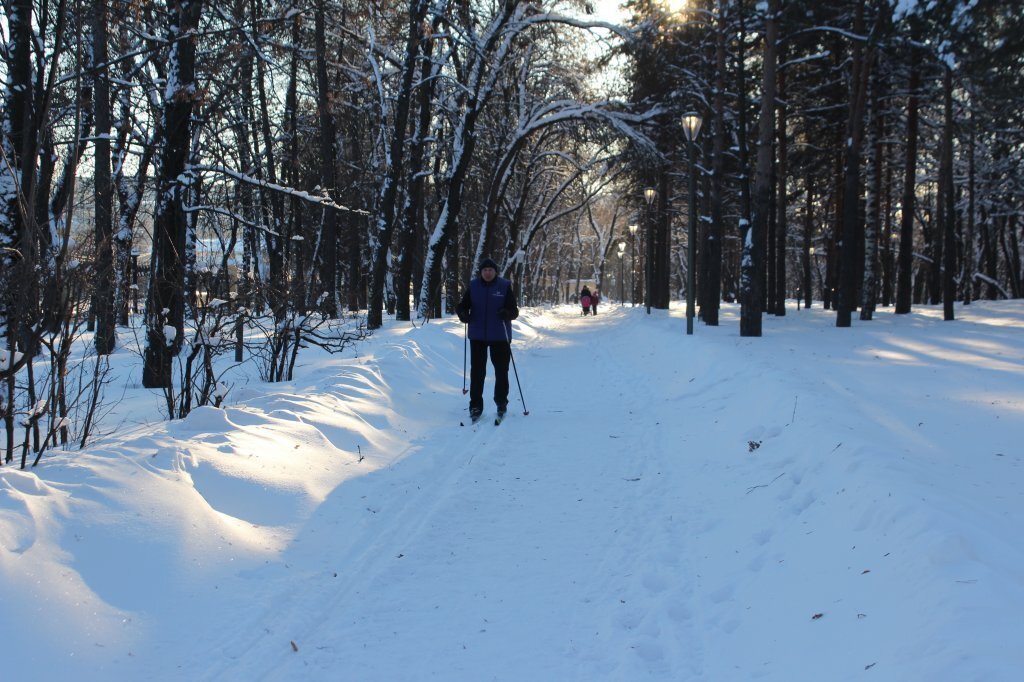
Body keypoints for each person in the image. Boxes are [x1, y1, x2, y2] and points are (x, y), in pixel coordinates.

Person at [456, 257, 520, 422]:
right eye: (485, 270)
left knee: (501, 372)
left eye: (491, 270)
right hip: (477, 336)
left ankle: (501, 403)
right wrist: (463, 314)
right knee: (477, 372)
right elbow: (463, 305)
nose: (488, 272)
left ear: (495, 272)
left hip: (500, 336)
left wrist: (507, 313)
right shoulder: (474, 286)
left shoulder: (504, 286)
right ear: (481, 272)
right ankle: (475, 406)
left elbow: (514, 311)